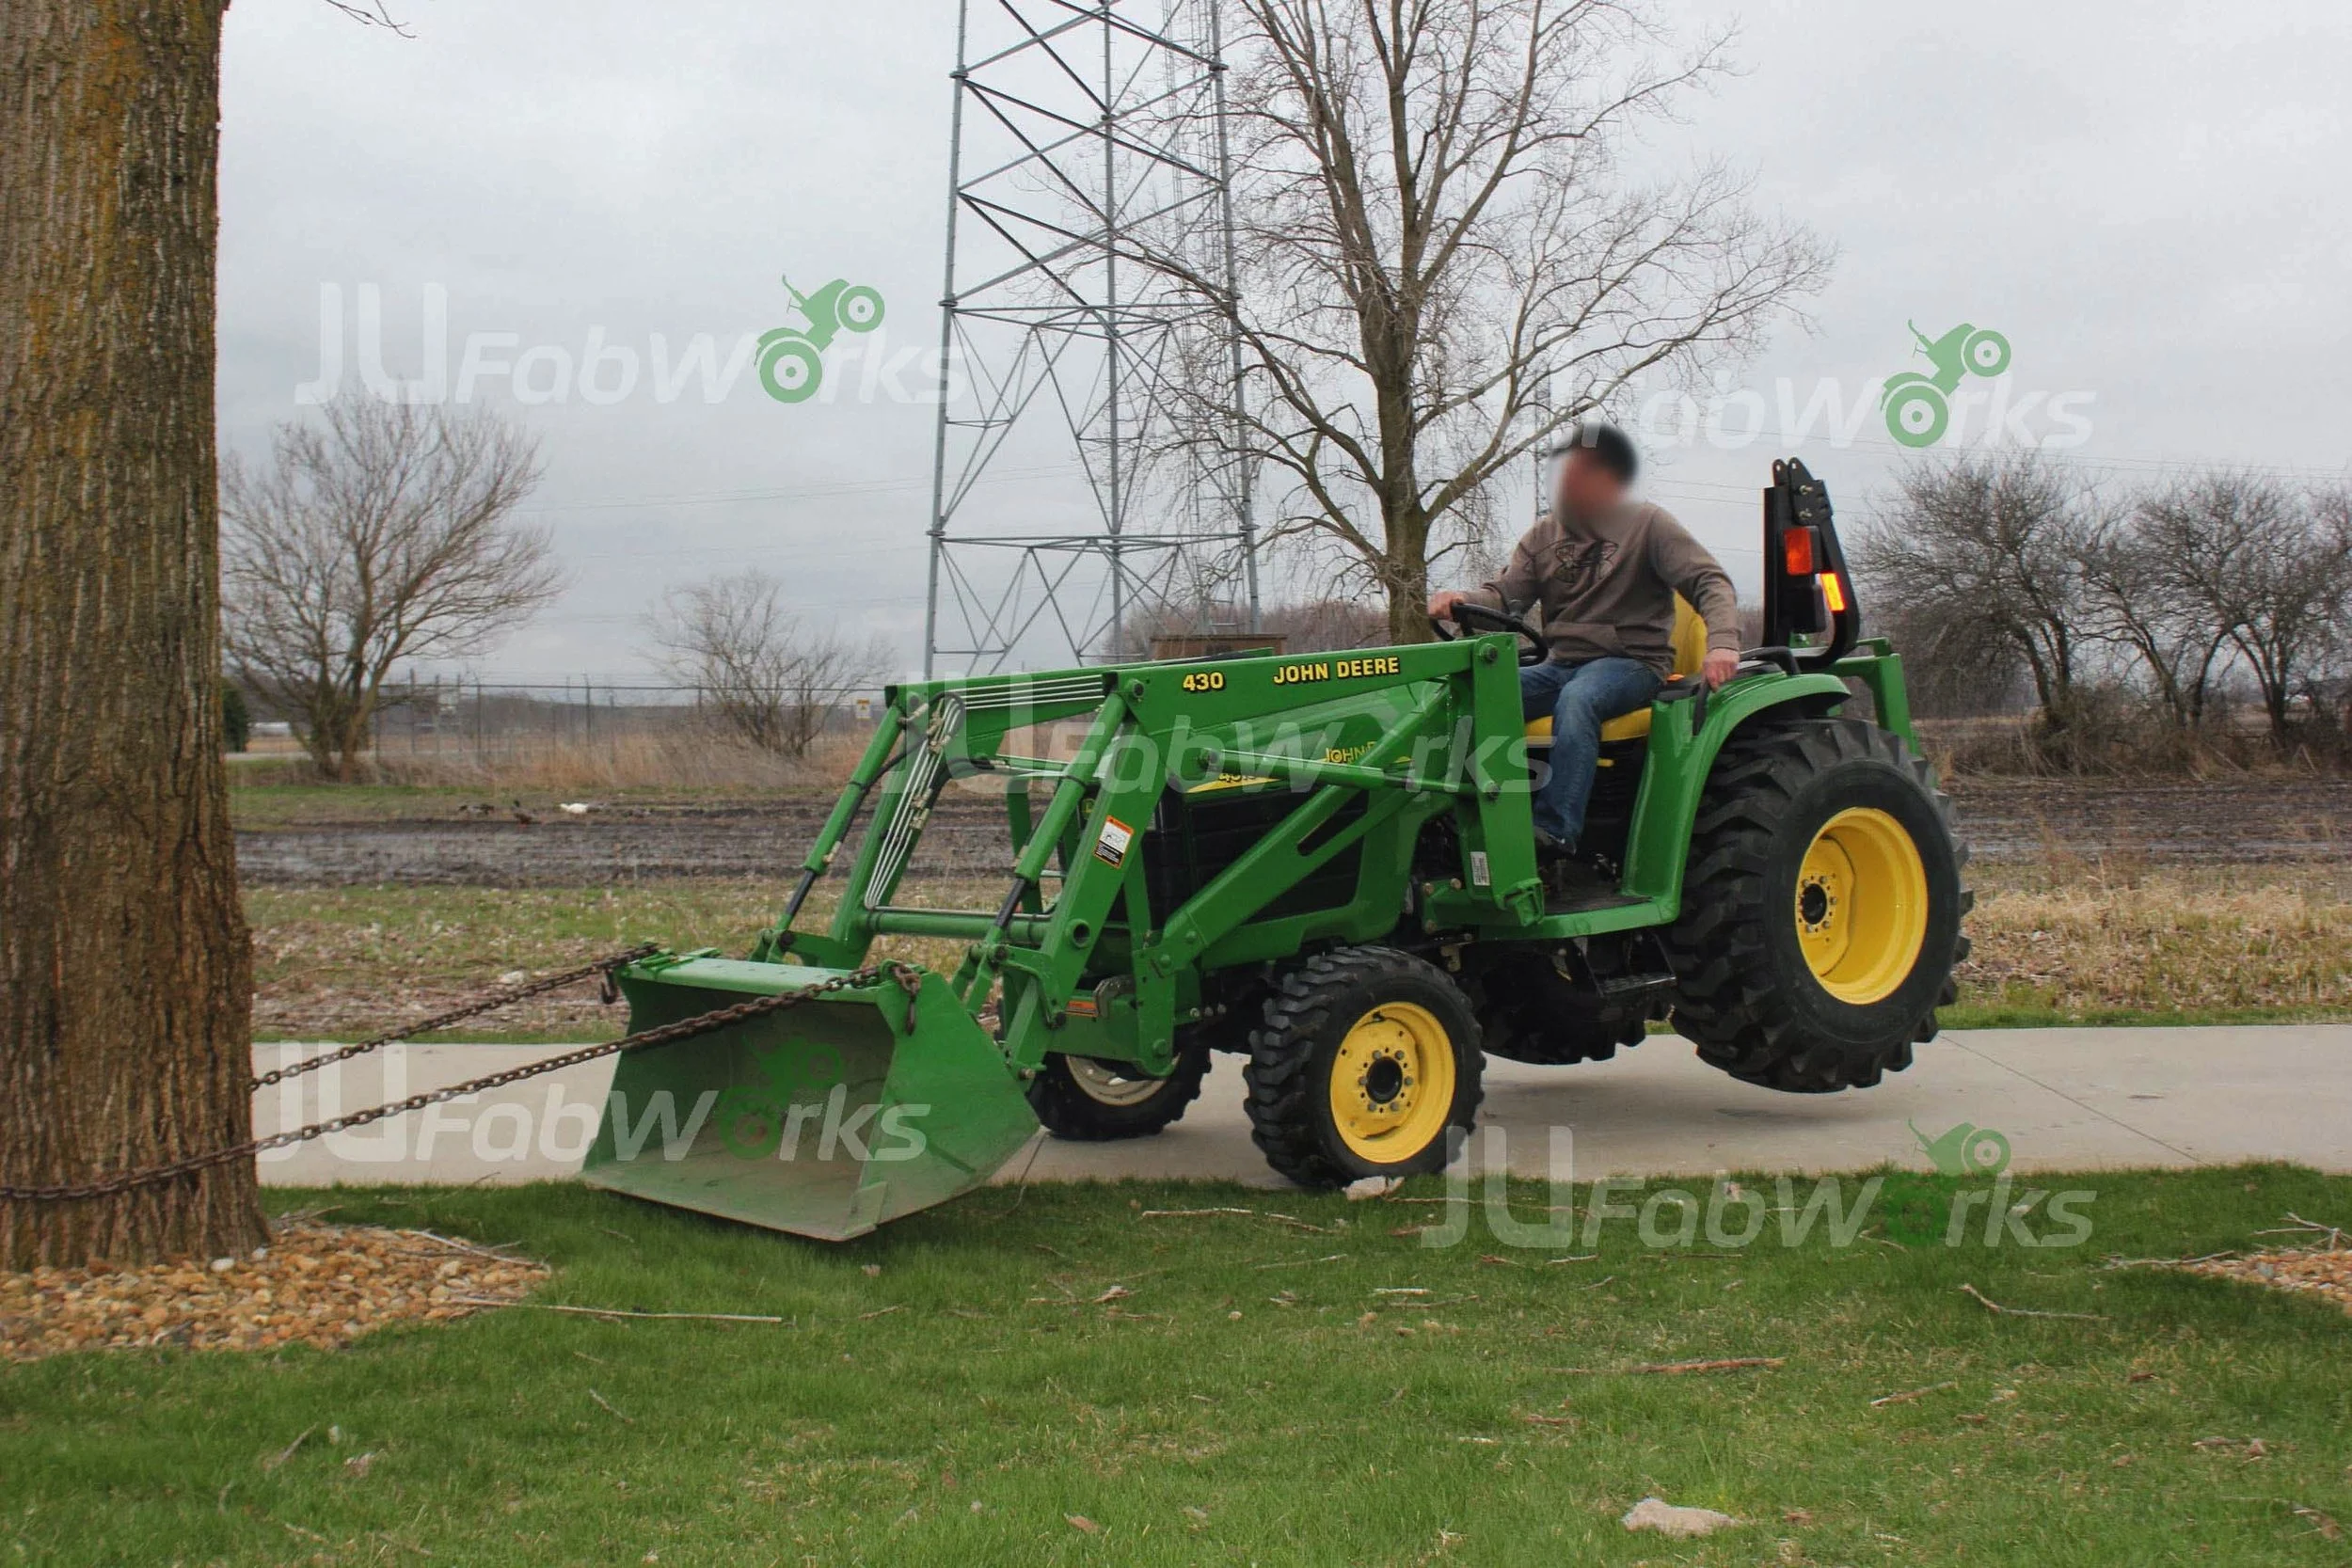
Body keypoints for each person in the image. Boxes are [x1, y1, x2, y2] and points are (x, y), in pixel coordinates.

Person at [1428, 422, 1740, 854]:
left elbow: (1710, 581)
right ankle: (1456, 818)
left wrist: (1722, 642)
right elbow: (1503, 598)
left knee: (1578, 699)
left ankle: (1554, 831)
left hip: (1632, 663)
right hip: (1560, 664)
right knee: (1473, 695)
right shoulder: (1543, 536)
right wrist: (1462, 599)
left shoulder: (1646, 524)